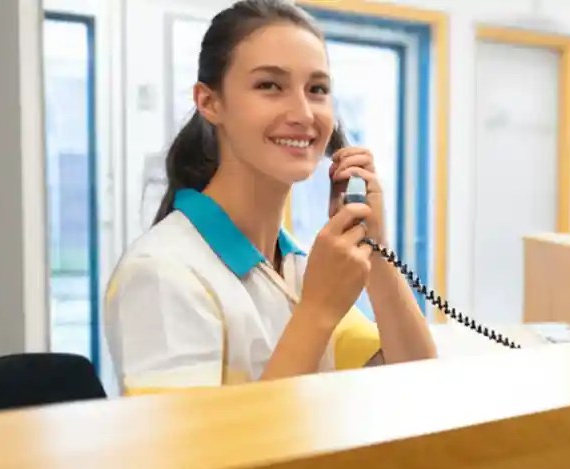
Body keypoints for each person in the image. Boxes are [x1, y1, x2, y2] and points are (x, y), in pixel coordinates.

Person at [104, 0, 435, 395]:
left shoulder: (295, 268)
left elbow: (420, 385)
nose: (303, 113)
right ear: (209, 102)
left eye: (317, 89)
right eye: (269, 86)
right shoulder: (161, 272)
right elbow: (199, 439)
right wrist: (317, 311)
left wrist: (376, 253)